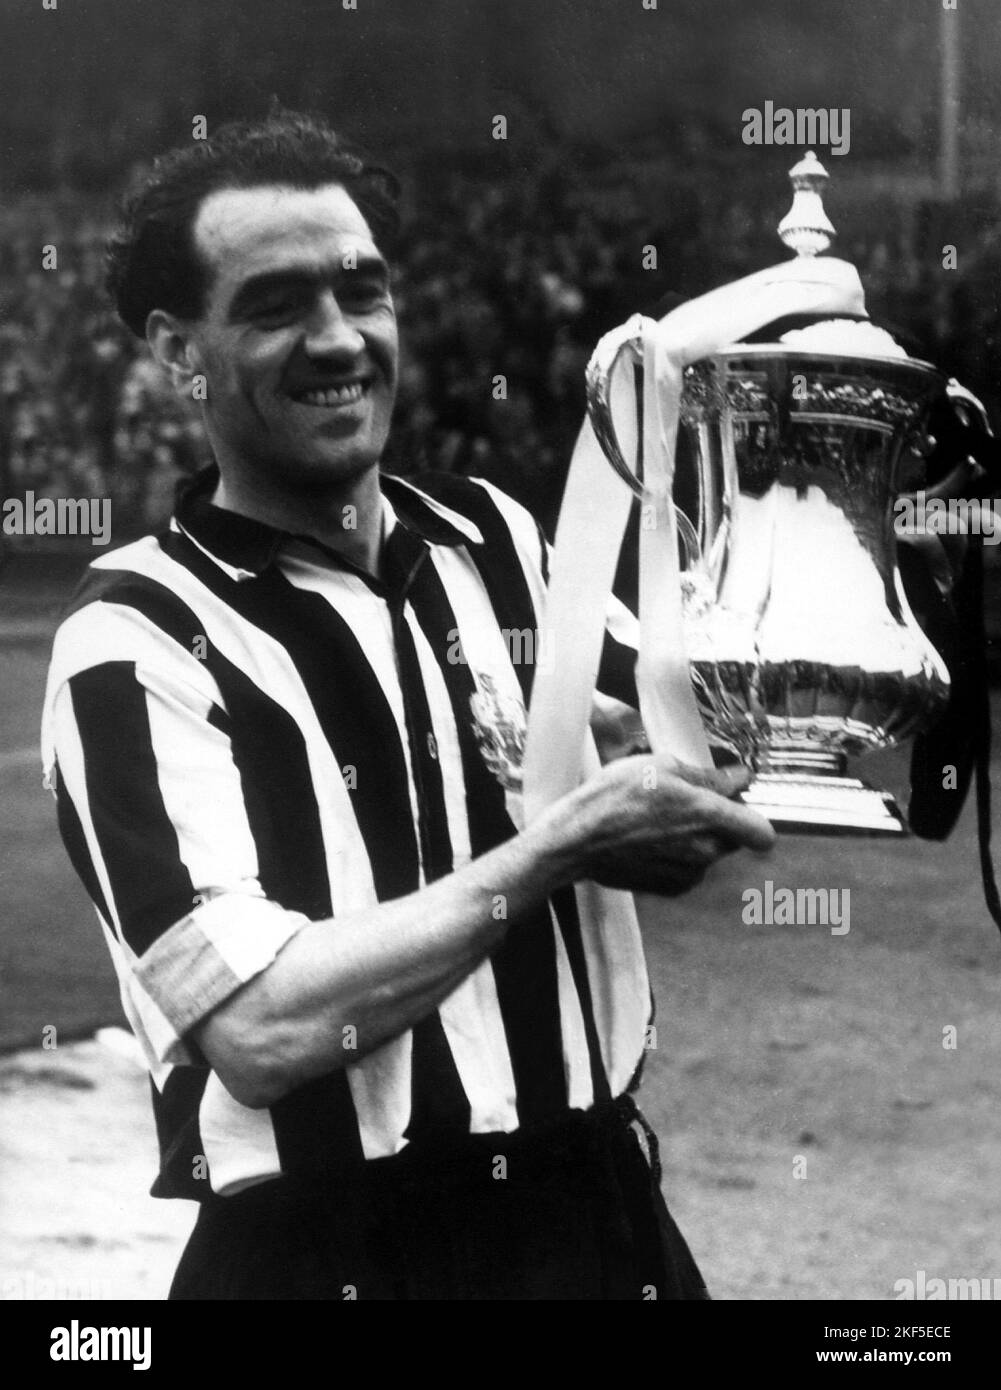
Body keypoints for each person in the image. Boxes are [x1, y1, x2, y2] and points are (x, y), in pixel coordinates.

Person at [41, 110, 775, 1301]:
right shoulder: (130, 639)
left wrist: (702, 757)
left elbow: (720, 754)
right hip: (331, 1252)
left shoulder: (506, 543)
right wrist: (557, 845)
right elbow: (263, 1030)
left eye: (362, 291)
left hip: (596, 1221)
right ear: (180, 351)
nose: (338, 340)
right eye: (276, 305)